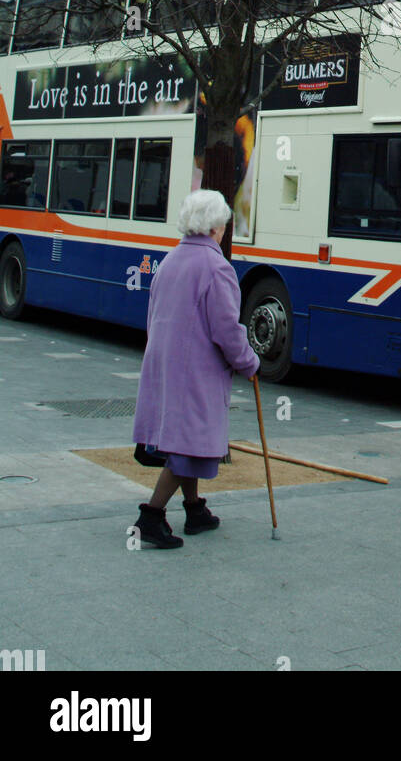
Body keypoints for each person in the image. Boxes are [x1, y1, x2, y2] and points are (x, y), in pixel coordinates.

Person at [131, 190, 260, 548]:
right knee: (189, 445)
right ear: (217, 227)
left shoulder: (170, 260)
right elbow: (227, 330)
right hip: (196, 371)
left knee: (185, 438)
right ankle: (150, 517)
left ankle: (194, 509)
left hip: (164, 364)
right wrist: (250, 362)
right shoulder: (216, 267)